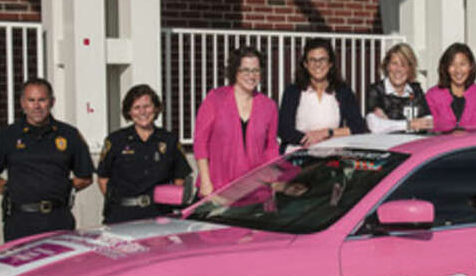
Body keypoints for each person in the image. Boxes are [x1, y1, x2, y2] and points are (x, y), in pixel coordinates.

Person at [0, 77, 95, 242]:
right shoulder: (8, 135)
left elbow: (85, 176)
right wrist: (9, 190)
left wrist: (65, 188)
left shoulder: (69, 135)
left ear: (52, 102)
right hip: (20, 221)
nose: (37, 106)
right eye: (31, 100)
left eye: (42, 100)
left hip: (58, 219)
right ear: (22, 103)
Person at [97, 85, 193, 224]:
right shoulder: (116, 140)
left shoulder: (168, 140)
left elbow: (180, 177)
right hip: (122, 216)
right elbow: (103, 178)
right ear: (129, 112)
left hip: (159, 215)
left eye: (147, 106)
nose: (142, 112)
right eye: (136, 108)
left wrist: (170, 202)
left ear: (156, 108)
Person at [193, 47, 280, 198]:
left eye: (256, 70)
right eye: (245, 70)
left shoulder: (269, 106)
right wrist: (206, 182)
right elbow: (200, 141)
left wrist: (272, 182)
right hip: (217, 189)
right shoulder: (215, 99)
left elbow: (271, 148)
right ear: (235, 71)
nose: (251, 76)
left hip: (254, 190)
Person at [278, 37, 367, 153]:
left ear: (330, 63)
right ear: (305, 64)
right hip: (299, 154)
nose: (318, 65)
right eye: (312, 60)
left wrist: (326, 133)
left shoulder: (342, 91)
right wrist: (310, 140)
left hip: (331, 157)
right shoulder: (292, 91)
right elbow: (284, 130)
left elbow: (358, 127)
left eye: (322, 60)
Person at [365, 42, 432, 133]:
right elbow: (375, 126)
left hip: (416, 145)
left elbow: (429, 121)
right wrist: (409, 124)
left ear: (410, 68)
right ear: (387, 66)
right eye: (394, 63)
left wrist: (390, 124)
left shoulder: (416, 89)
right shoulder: (376, 90)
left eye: (403, 65)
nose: (398, 69)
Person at [426, 42, 476, 131]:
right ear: (446, 68)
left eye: (463, 64)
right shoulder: (433, 95)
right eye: (452, 65)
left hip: (471, 144)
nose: (458, 70)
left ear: (471, 66)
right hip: (442, 144)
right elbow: (433, 125)